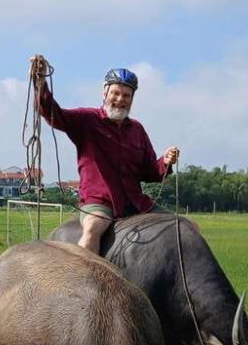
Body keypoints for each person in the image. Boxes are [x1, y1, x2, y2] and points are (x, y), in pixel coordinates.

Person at [31, 57, 179, 254]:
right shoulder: (86, 119)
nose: (120, 100)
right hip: (100, 201)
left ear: (132, 99)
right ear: (105, 92)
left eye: (126, 95)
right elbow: (53, 113)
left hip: (135, 201)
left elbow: (149, 171)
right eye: (115, 93)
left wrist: (165, 162)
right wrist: (40, 82)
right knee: (92, 228)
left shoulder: (137, 130)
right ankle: (84, 278)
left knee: (184, 227)